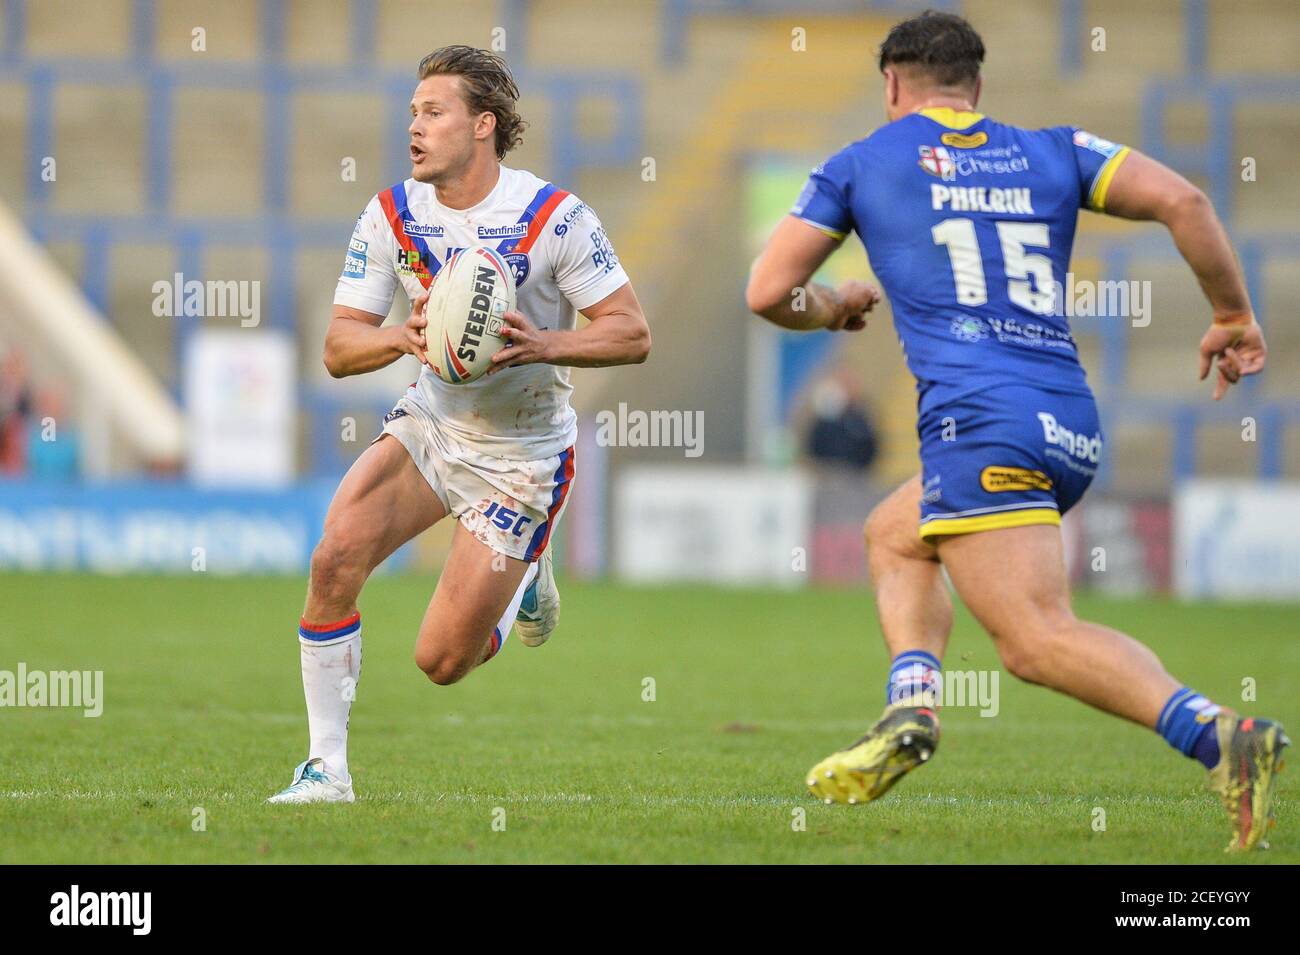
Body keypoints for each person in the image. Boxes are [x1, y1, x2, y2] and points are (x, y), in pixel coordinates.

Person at [745, 11, 1284, 851]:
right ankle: (911, 709)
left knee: (1035, 639)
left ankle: (1218, 733)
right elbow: (1187, 200)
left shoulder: (860, 163)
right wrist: (1233, 314)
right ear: (977, 86)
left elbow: (769, 291)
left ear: (893, 85)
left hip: (978, 423)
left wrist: (836, 306)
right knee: (895, 532)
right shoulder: (1056, 150)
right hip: (1066, 418)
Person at [269, 46, 650, 804]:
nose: (414, 126)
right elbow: (340, 347)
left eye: (432, 112)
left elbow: (631, 332)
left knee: (443, 660)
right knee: (334, 557)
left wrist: (545, 343)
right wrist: (401, 338)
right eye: (412, 111)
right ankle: (326, 770)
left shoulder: (553, 218)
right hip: (433, 425)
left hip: (522, 454)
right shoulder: (390, 215)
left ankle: (520, 585)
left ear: (482, 127)